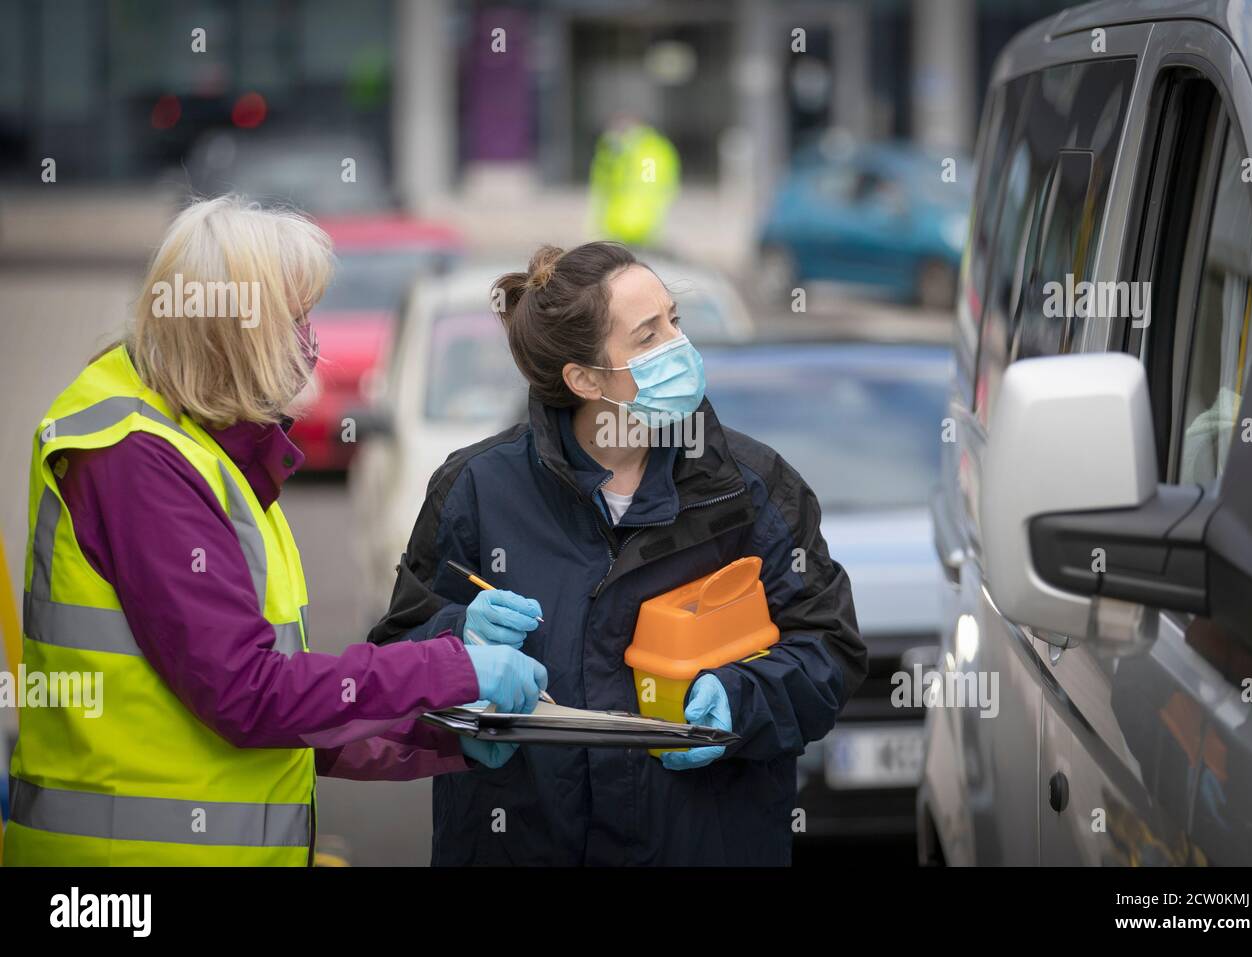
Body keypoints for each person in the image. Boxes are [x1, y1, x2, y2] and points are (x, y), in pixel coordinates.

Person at [3, 196, 546, 866]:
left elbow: (287, 709)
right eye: (296, 318)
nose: (310, 340)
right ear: (234, 336)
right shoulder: (138, 461)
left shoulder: (200, 447)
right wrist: (451, 668)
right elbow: (248, 692)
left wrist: (439, 736)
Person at [368, 242, 866, 865]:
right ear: (583, 379)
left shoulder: (750, 486)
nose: (680, 347)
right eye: (648, 335)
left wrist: (742, 699)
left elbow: (830, 650)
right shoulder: (476, 490)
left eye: (675, 321)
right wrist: (455, 637)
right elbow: (390, 667)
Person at [588, 115, 680, 247]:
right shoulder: (616, 149)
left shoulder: (649, 149)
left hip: (638, 226)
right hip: (619, 225)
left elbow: (649, 186)